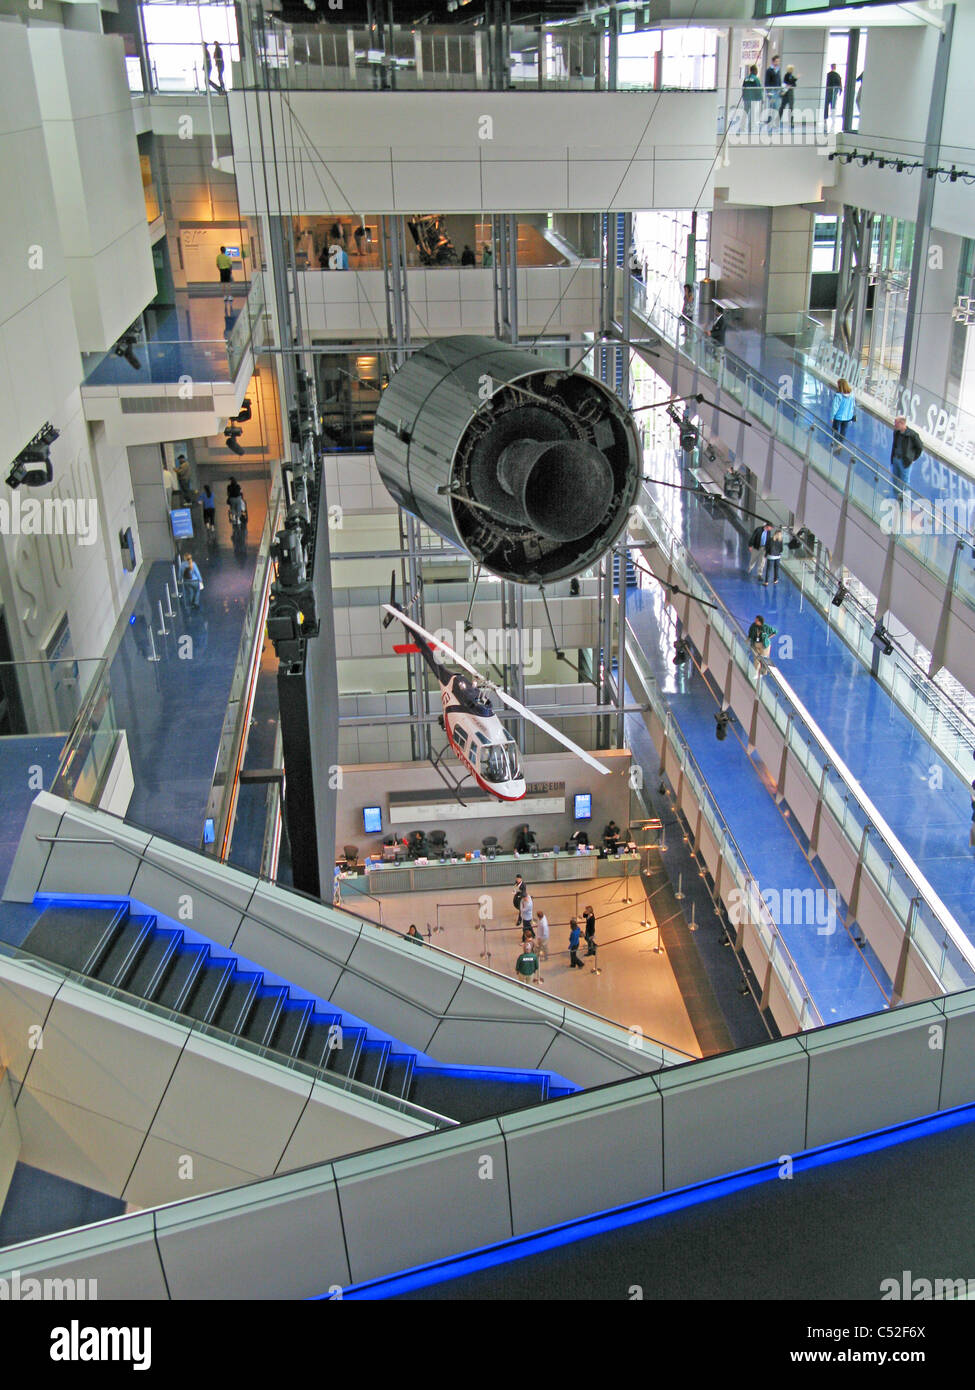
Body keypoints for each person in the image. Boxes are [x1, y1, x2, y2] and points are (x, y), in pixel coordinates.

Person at [890, 416, 922, 496]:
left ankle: (906, 505)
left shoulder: (912, 435)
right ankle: (896, 499)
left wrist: (912, 458)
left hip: (905, 462)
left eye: (896, 423)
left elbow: (919, 447)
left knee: (905, 483)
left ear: (902, 423)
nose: (895, 425)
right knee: (895, 481)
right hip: (896, 459)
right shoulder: (896, 432)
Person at [742, 64, 763, 133]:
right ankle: (751, 129)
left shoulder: (746, 78)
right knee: (753, 115)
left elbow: (743, 88)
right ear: (755, 71)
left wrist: (743, 96)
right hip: (753, 99)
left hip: (746, 98)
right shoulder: (756, 79)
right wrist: (761, 98)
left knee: (745, 113)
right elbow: (758, 89)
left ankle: (742, 128)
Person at [764, 54, 782, 124]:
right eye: (776, 61)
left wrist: (780, 89)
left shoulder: (778, 70)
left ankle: (773, 119)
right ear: (773, 62)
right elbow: (767, 81)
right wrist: (768, 91)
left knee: (776, 105)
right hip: (771, 90)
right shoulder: (769, 70)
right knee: (772, 105)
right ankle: (770, 119)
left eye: (778, 61)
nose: (777, 63)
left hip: (777, 90)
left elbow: (779, 80)